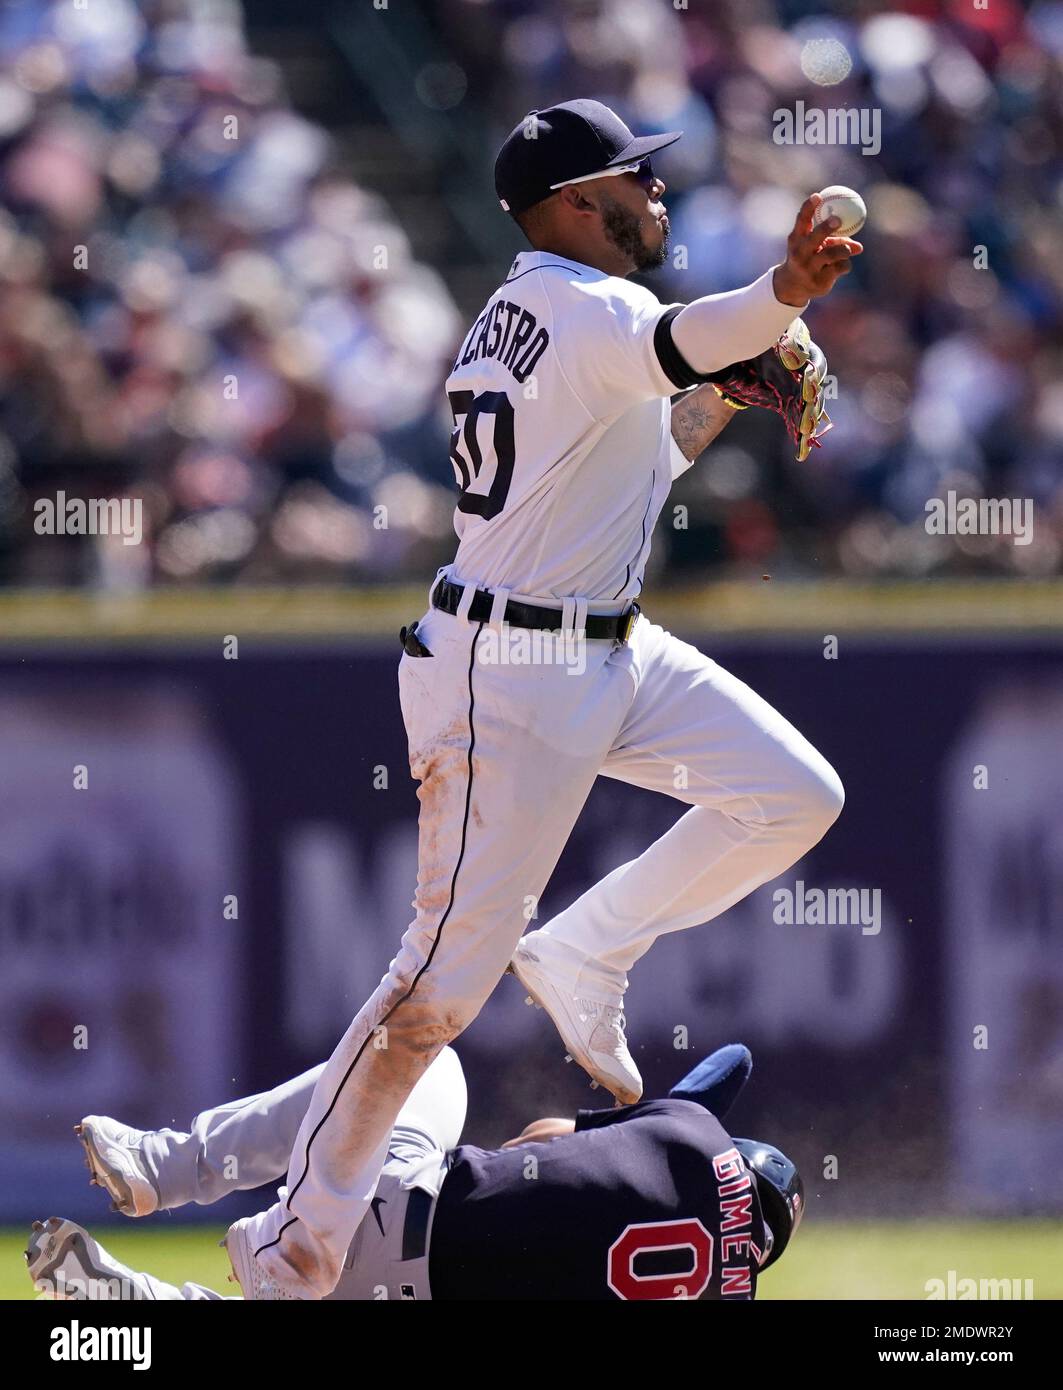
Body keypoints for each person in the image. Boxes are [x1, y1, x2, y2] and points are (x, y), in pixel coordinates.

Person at [230, 97, 856, 1298]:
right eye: (637, 180)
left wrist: (728, 391)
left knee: (790, 795)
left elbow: (626, 464)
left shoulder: (525, 319)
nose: (658, 197)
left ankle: (585, 951)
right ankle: (295, 1242)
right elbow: (692, 334)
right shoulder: (585, 304)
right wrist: (782, 292)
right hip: (507, 671)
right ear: (574, 205)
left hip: (593, 641)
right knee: (432, 991)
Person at [28, 1045, 802, 1301]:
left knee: (426, 1054)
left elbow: (543, 1136)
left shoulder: (697, 1137)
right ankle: (115, 1301)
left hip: (386, 1204)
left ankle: (168, 1166)